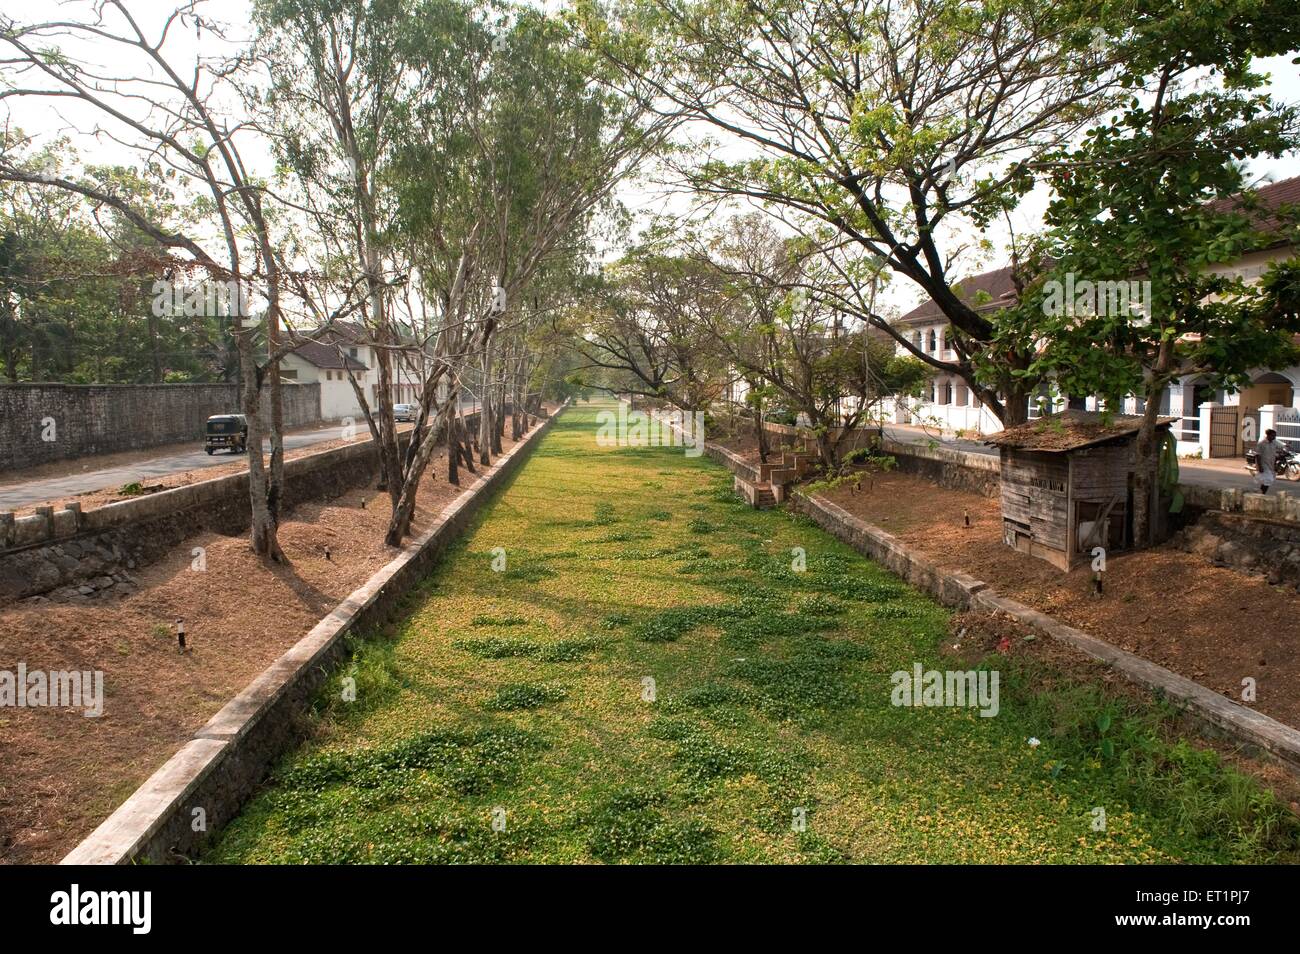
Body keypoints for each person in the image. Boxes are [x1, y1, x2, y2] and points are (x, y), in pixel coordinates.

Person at [1256, 429, 1281, 493]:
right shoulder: (1261, 443)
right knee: (1268, 479)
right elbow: (1258, 455)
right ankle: (1262, 493)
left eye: (1275, 436)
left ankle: (1261, 493)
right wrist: (1260, 466)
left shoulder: (1274, 443)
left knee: (1267, 480)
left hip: (1271, 464)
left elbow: (1280, 447)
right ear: (1268, 435)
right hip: (1264, 464)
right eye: (1273, 436)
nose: (1274, 437)